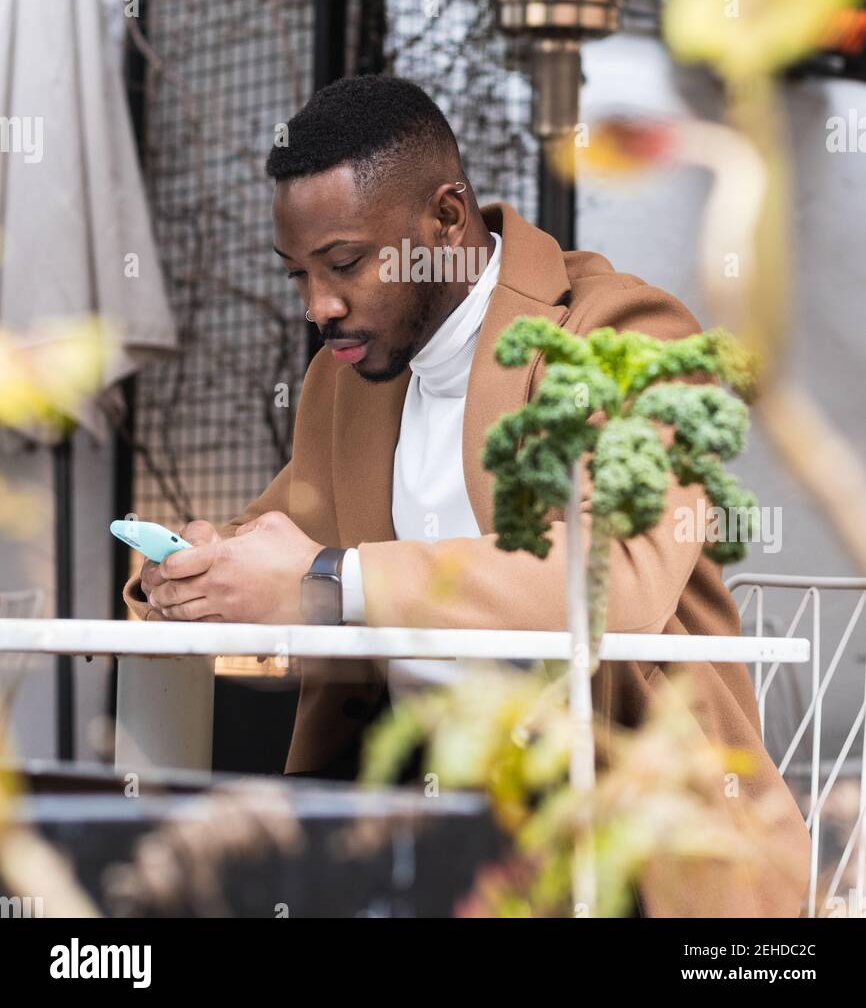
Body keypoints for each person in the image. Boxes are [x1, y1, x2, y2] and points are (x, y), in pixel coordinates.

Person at [124, 73, 811, 917]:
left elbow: (613, 581)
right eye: (298, 274)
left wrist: (332, 582)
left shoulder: (623, 336)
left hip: (635, 852)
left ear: (446, 220)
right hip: (417, 844)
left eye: (344, 264)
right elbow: (272, 538)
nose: (320, 307)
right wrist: (189, 574)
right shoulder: (345, 381)